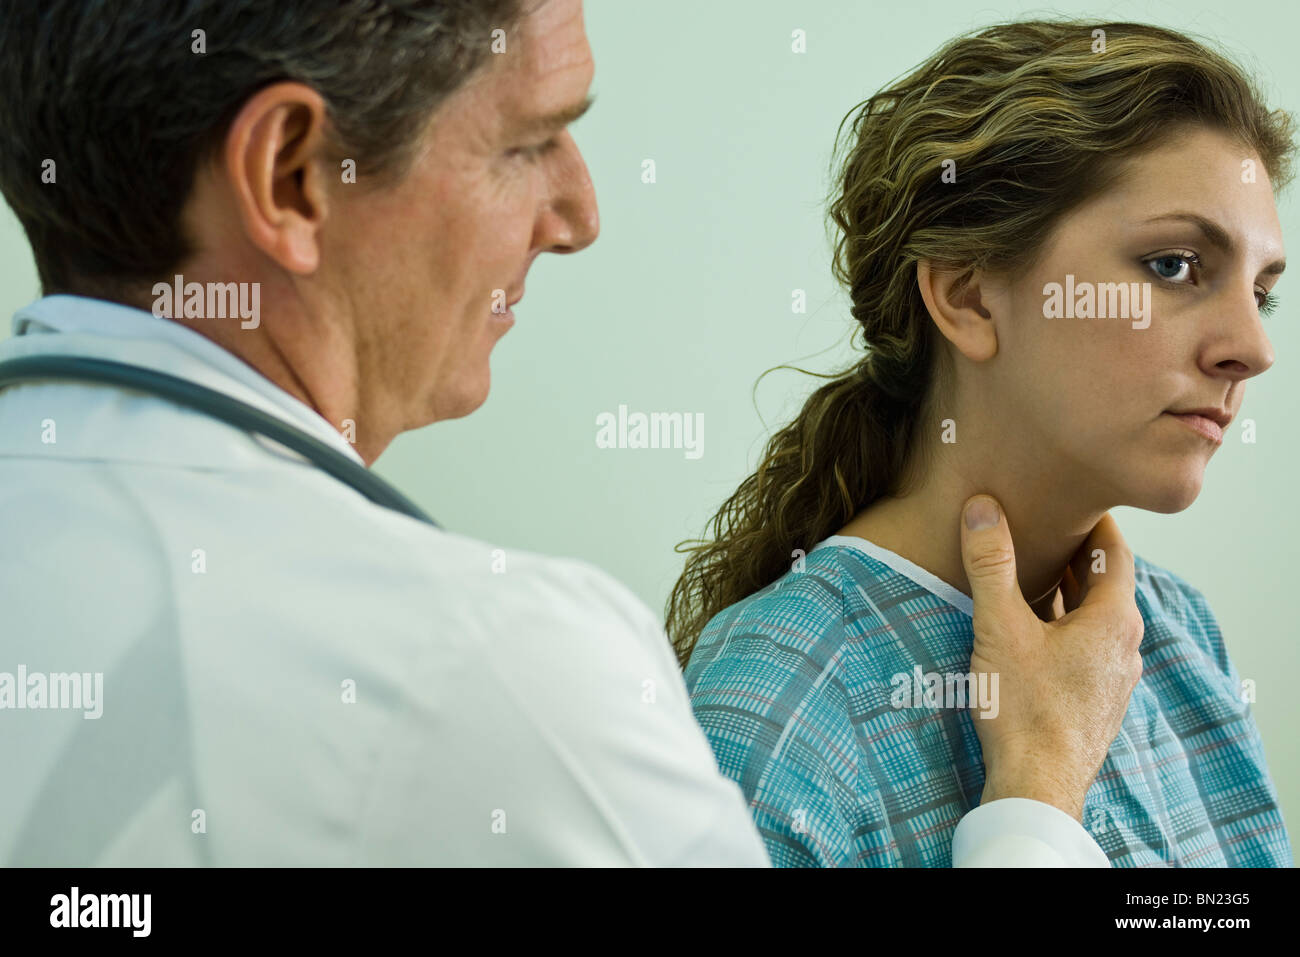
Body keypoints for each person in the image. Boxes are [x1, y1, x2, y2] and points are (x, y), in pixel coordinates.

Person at [0, 1, 1137, 866]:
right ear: (294, 176)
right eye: (529, 141)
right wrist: (1036, 800)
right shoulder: (495, 662)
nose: (581, 215)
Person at [669, 19, 1294, 867]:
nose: (1251, 348)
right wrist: (1039, 786)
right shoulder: (780, 695)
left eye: (1262, 292)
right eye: (1175, 265)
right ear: (968, 296)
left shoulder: (1178, 634)